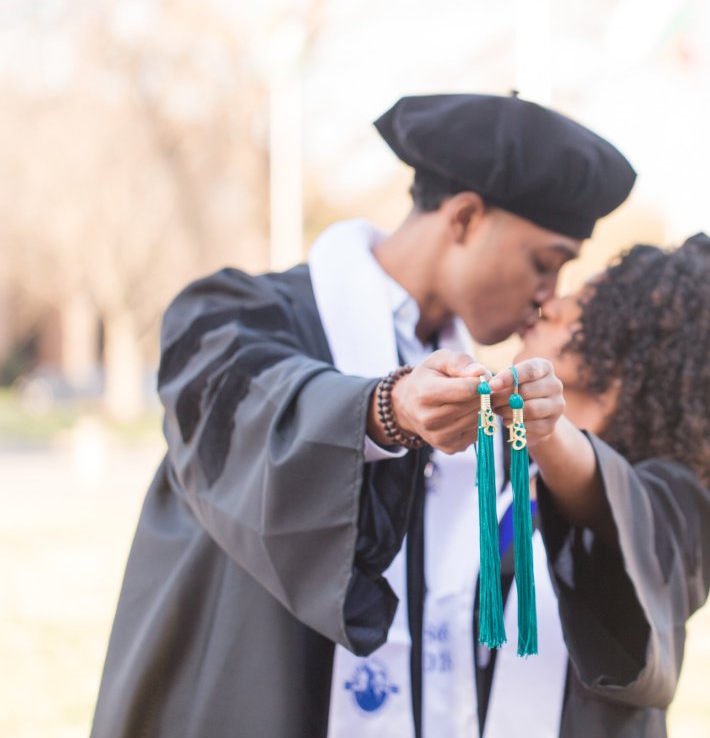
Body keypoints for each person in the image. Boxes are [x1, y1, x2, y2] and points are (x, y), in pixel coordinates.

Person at [90, 92, 636, 738]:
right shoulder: (239, 316)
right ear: (464, 218)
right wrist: (387, 410)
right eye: (545, 263)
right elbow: (248, 411)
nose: (550, 295)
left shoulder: (476, 388)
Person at [329, 233, 710, 737]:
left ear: (632, 347)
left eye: (587, 302)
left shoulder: (680, 508)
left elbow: (611, 499)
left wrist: (550, 433)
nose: (550, 303)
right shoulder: (496, 470)